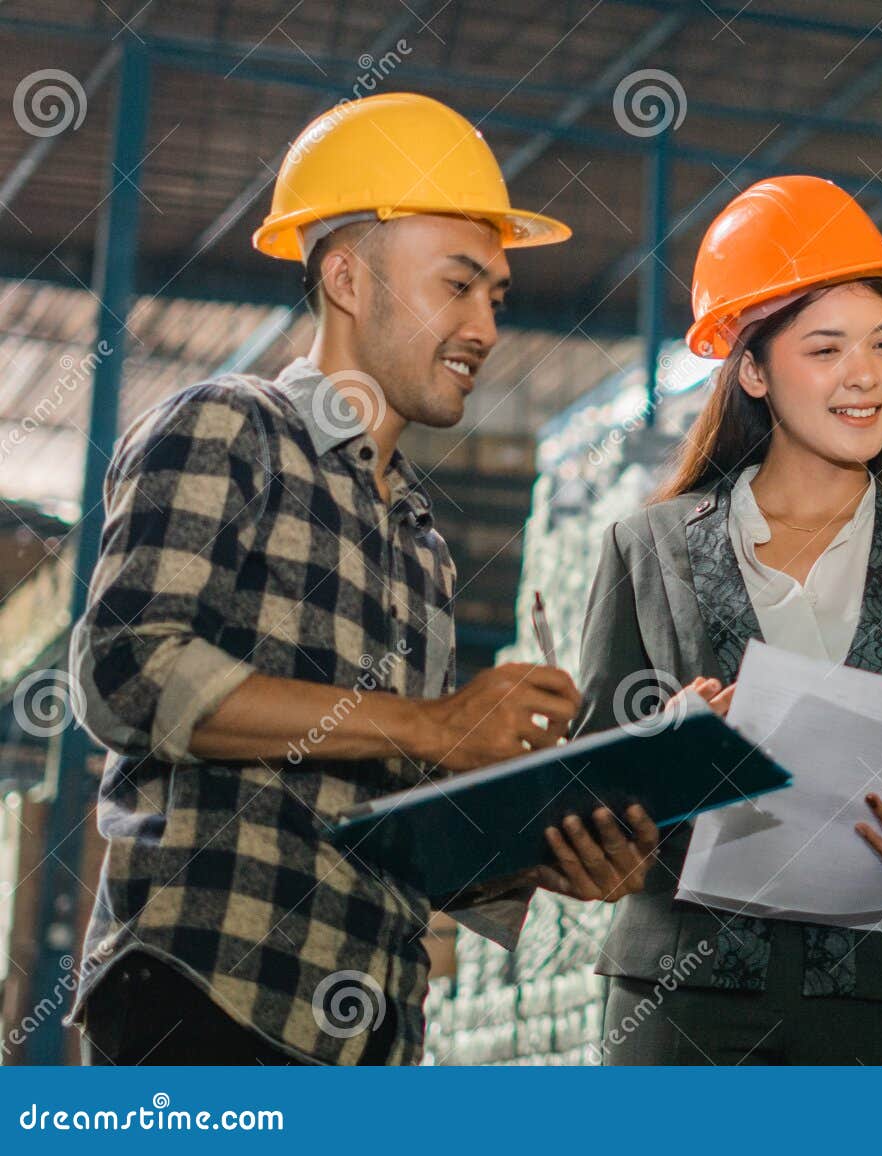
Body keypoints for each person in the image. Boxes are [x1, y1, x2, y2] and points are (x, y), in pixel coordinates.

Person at [67, 93, 659, 1067]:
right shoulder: (228, 427)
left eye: (495, 297)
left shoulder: (419, 540)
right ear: (346, 277)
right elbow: (126, 673)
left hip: (369, 1041)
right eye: (458, 286)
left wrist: (542, 854)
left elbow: (386, 823)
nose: (486, 327)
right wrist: (431, 725)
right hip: (210, 1002)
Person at [575, 175, 882, 1065]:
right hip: (682, 1007)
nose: (865, 376)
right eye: (827, 348)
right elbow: (585, 797)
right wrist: (664, 754)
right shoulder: (646, 550)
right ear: (755, 370)